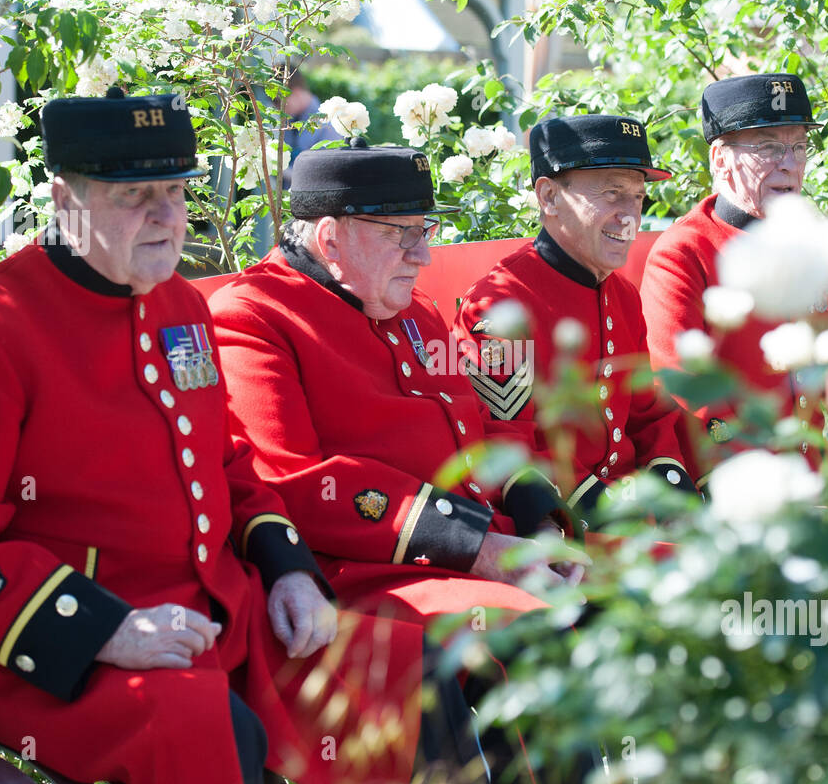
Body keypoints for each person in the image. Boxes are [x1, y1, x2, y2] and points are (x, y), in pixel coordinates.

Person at [0, 89, 459, 784]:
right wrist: (105, 631)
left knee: (414, 674)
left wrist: (288, 571)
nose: (167, 216)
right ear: (66, 199)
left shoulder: (180, 305)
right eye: (136, 196)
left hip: (215, 606)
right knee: (208, 730)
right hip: (54, 639)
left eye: (176, 190)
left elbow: (227, 463)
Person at [209, 138, 585, 632]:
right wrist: (480, 548)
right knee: (555, 634)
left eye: (425, 229)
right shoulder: (253, 316)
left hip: (493, 548)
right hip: (376, 574)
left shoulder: (417, 309)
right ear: (330, 240)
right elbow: (296, 483)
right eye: (402, 234)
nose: (423, 255)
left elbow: (483, 427)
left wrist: (540, 523)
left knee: (639, 594)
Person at [453, 114, 696, 529]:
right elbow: (506, 445)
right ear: (548, 197)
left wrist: (675, 491)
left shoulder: (620, 293)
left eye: (637, 197)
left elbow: (644, 412)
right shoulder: (499, 306)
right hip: (566, 526)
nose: (629, 215)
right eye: (612, 193)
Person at [640, 73, 828, 471]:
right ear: (720, 159)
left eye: (799, 147)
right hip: (743, 478)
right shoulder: (684, 252)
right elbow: (687, 391)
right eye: (769, 148)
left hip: (823, 473)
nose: (789, 164)